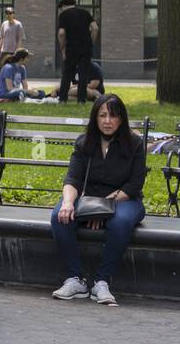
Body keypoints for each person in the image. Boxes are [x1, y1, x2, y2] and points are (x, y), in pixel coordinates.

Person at [50, 94, 147, 306]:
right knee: (60, 216)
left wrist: (104, 209)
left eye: (113, 115)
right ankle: (76, 279)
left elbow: (135, 184)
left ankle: (102, 282)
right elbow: (73, 178)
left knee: (119, 222)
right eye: (102, 115)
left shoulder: (134, 143)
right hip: (90, 199)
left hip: (124, 199)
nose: (107, 121)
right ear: (95, 118)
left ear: (121, 119)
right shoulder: (84, 143)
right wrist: (67, 203)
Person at [56, 0, 98, 104]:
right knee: (83, 74)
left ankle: (62, 99)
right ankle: (81, 100)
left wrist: (63, 49)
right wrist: (91, 42)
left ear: (63, 6)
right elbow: (95, 28)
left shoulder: (64, 15)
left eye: (60, 9)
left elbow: (61, 33)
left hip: (71, 47)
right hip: (86, 47)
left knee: (67, 74)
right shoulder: (85, 13)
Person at [0, 6, 25, 70]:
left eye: (10, 13)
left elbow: (20, 39)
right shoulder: (4, 24)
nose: (8, 15)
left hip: (13, 52)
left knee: (13, 69)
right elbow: (1, 38)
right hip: (4, 51)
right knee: (2, 70)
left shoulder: (18, 25)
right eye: (7, 13)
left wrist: (17, 52)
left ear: (13, 14)